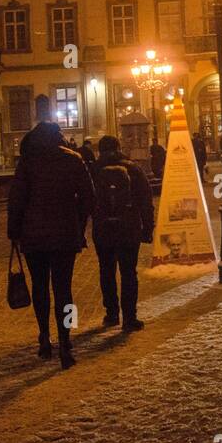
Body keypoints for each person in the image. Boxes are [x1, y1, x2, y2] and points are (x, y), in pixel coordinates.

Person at [7, 121, 96, 369]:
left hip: (33, 236)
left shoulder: (27, 162)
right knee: (65, 290)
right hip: (65, 235)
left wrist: (14, 232)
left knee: (40, 289)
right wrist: (77, 223)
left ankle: (44, 337)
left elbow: (16, 200)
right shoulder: (73, 159)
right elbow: (90, 198)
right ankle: (66, 340)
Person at [91, 136, 154, 332]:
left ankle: (111, 314)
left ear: (99, 150)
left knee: (106, 271)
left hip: (103, 228)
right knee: (129, 272)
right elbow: (145, 200)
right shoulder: (133, 168)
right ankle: (130, 317)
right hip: (129, 227)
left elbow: (83, 201)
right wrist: (147, 228)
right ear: (119, 147)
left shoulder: (92, 170)